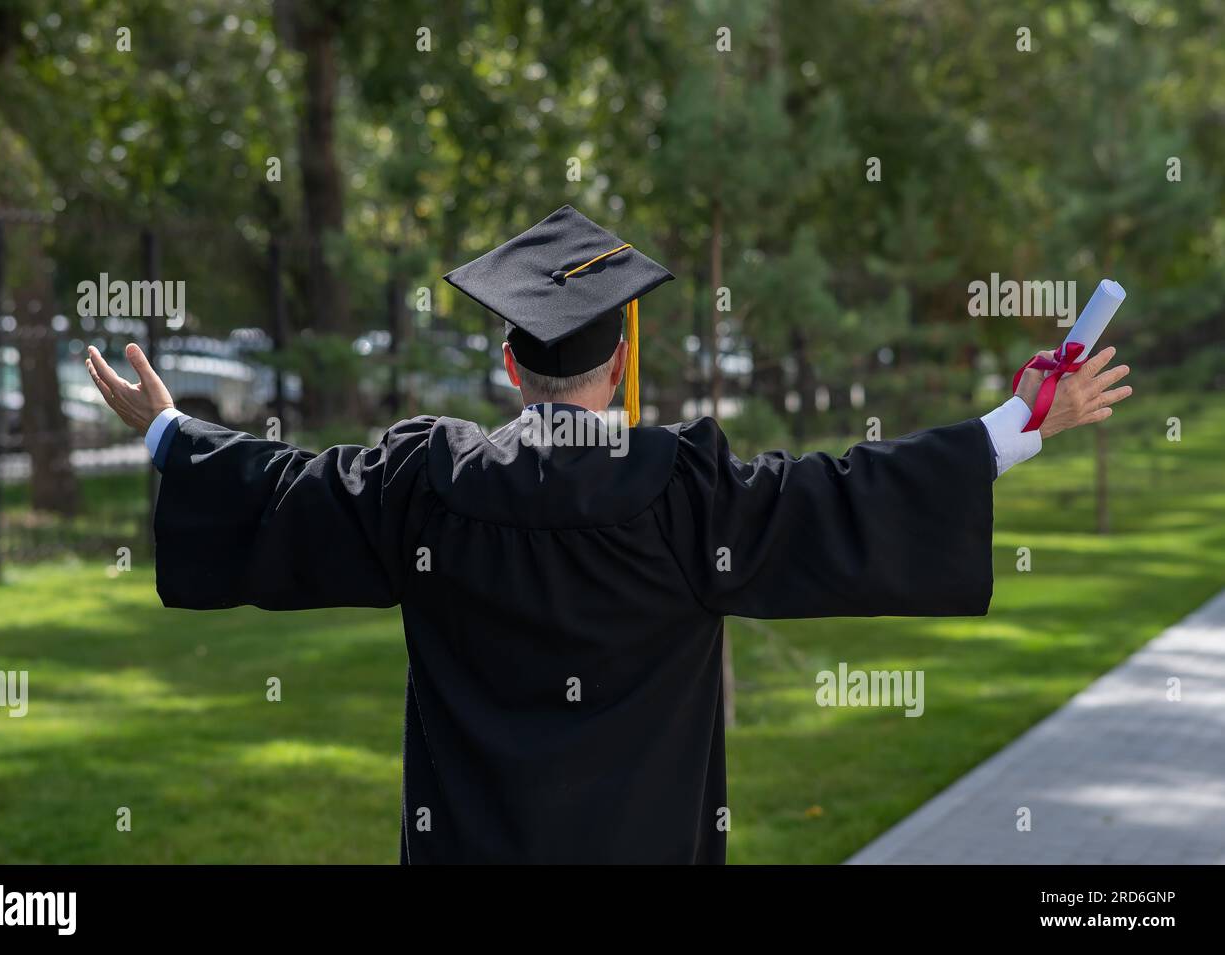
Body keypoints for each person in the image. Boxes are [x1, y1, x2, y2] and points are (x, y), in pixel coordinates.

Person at [84, 205, 1133, 864]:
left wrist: (171, 431)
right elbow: (845, 492)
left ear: (509, 365)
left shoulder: (426, 481)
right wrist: (1018, 423)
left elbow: (286, 491)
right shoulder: (684, 490)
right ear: (619, 365)